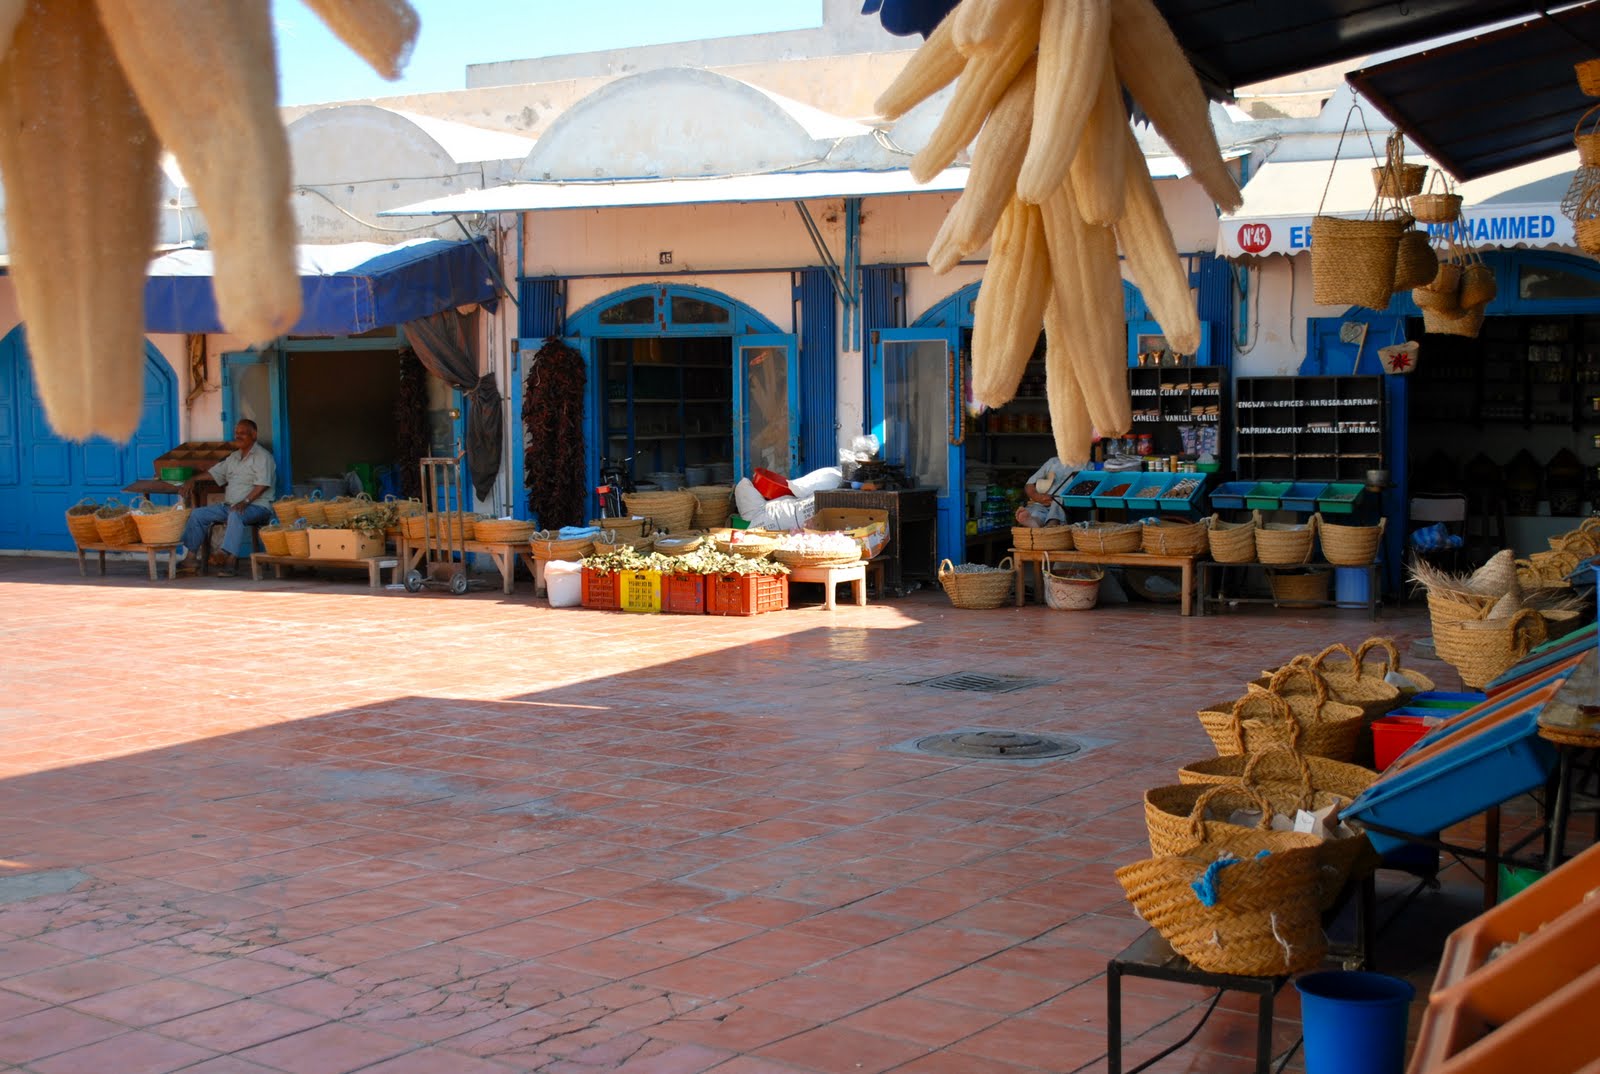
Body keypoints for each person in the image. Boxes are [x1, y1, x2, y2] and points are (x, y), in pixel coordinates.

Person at [178, 419, 276, 576]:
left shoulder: (263, 457)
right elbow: (215, 473)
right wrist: (193, 479)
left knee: (235, 514)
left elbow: (262, 485)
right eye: (236, 433)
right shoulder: (234, 457)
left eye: (243, 433)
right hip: (231, 505)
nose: (238, 436)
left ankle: (231, 562)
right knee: (197, 514)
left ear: (254, 434)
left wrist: (245, 502)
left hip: (258, 507)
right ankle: (191, 558)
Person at [1014, 456, 1074, 528]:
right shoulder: (1053, 461)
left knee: (1059, 499)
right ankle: (1034, 521)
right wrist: (1039, 497)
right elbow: (1029, 485)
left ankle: (1052, 522)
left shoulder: (1087, 465)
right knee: (1037, 511)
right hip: (1042, 502)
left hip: (1064, 503)